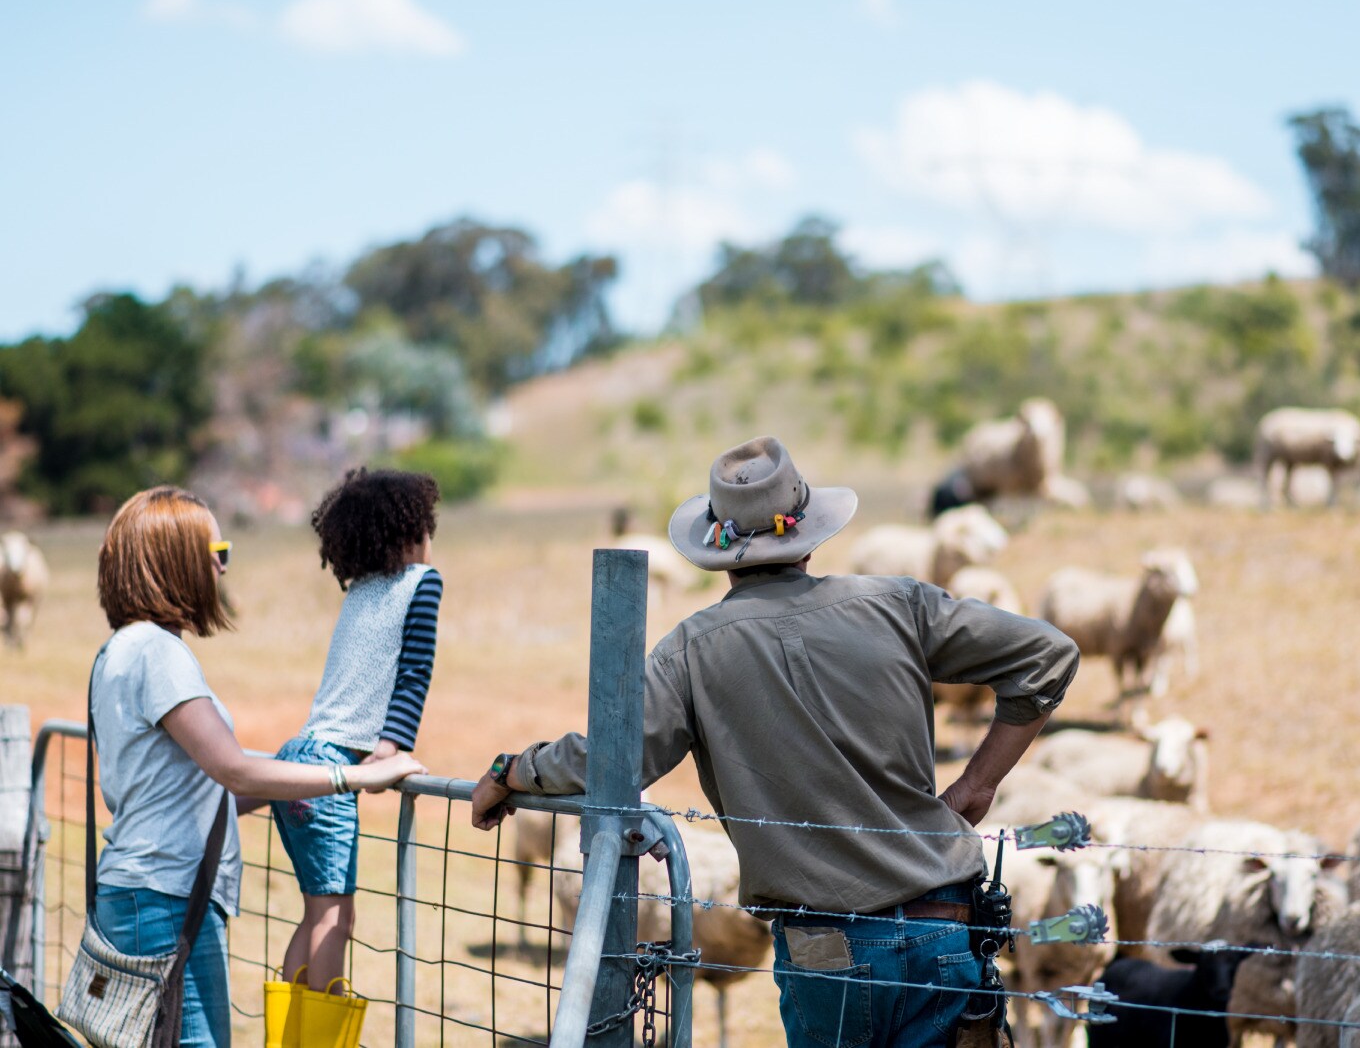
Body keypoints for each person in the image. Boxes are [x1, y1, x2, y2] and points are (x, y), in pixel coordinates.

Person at [470, 436, 1079, 1047]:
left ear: (720, 548)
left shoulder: (692, 649)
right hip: (944, 930)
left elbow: (609, 757)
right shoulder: (898, 606)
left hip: (828, 954)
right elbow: (1049, 655)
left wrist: (513, 769)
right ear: (809, 534)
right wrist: (978, 783)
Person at [92, 486, 425, 1048]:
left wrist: (296, 773)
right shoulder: (158, 655)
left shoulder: (118, 651)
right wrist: (350, 776)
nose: (223, 563)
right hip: (167, 901)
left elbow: (166, 787)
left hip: (139, 893)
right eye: (216, 547)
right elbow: (232, 770)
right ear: (174, 557)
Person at [271, 467, 444, 996]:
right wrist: (390, 750)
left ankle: (291, 1039)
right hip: (332, 767)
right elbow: (415, 671)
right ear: (415, 532)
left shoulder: (361, 591)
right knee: (336, 921)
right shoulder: (422, 582)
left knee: (315, 914)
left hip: (296, 758)